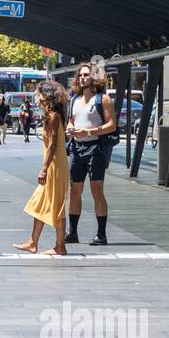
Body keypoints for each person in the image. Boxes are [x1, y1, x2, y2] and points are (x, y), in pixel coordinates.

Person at [14, 80, 69, 256]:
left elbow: (52, 145)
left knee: (56, 204)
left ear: (46, 96)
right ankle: (33, 242)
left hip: (55, 167)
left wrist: (44, 168)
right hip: (55, 165)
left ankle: (60, 246)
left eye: (38, 94)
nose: (36, 98)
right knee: (40, 202)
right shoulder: (52, 115)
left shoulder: (52, 116)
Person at [67, 62, 117, 245]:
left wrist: (88, 132)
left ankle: (101, 234)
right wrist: (71, 129)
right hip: (76, 148)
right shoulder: (74, 99)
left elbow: (112, 125)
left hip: (95, 148)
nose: (82, 78)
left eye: (86, 75)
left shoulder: (102, 99)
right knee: (74, 190)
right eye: (80, 75)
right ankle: (72, 232)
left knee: (97, 189)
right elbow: (70, 121)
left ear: (94, 78)